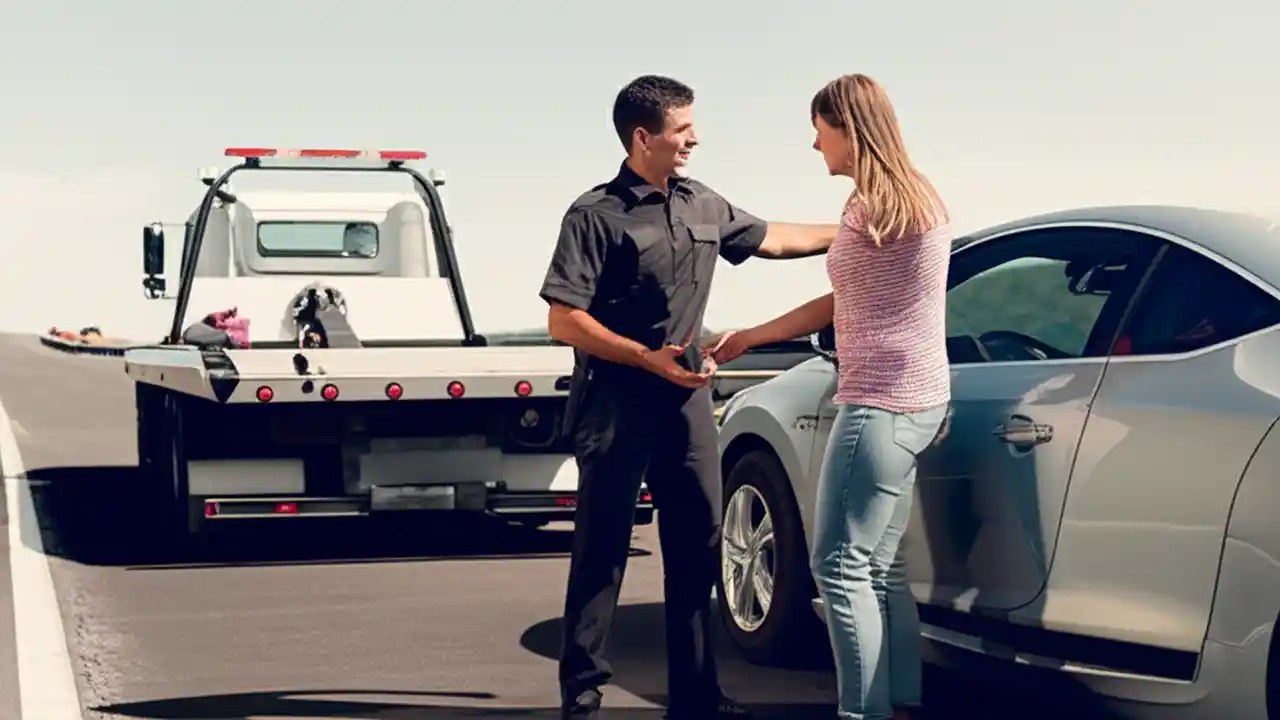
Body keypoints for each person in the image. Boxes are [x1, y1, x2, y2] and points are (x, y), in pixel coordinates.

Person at [538, 74, 840, 720]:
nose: (694, 139)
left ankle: (697, 698)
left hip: (686, 404)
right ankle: (582, 698)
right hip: (615, 402)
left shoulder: (702, 203)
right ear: (643, 137)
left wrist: (855, 227)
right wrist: (644, 356)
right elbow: (564, 319)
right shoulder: (595, 215)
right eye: (682, 130)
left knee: (697, 545)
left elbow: (774, 238)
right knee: (603, 550)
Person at [711, 73, 952, 720]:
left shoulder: (870, 209)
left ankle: (863, 713)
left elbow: (841, 296)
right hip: (919, 403)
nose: (814, 145)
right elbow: (853, 298)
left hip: (877, 404)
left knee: (839, 568)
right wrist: (753, 337)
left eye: (819, 130)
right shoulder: (916, 200)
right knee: (880, 570)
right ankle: (901, 703)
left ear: (847, 128)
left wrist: (746, 333)